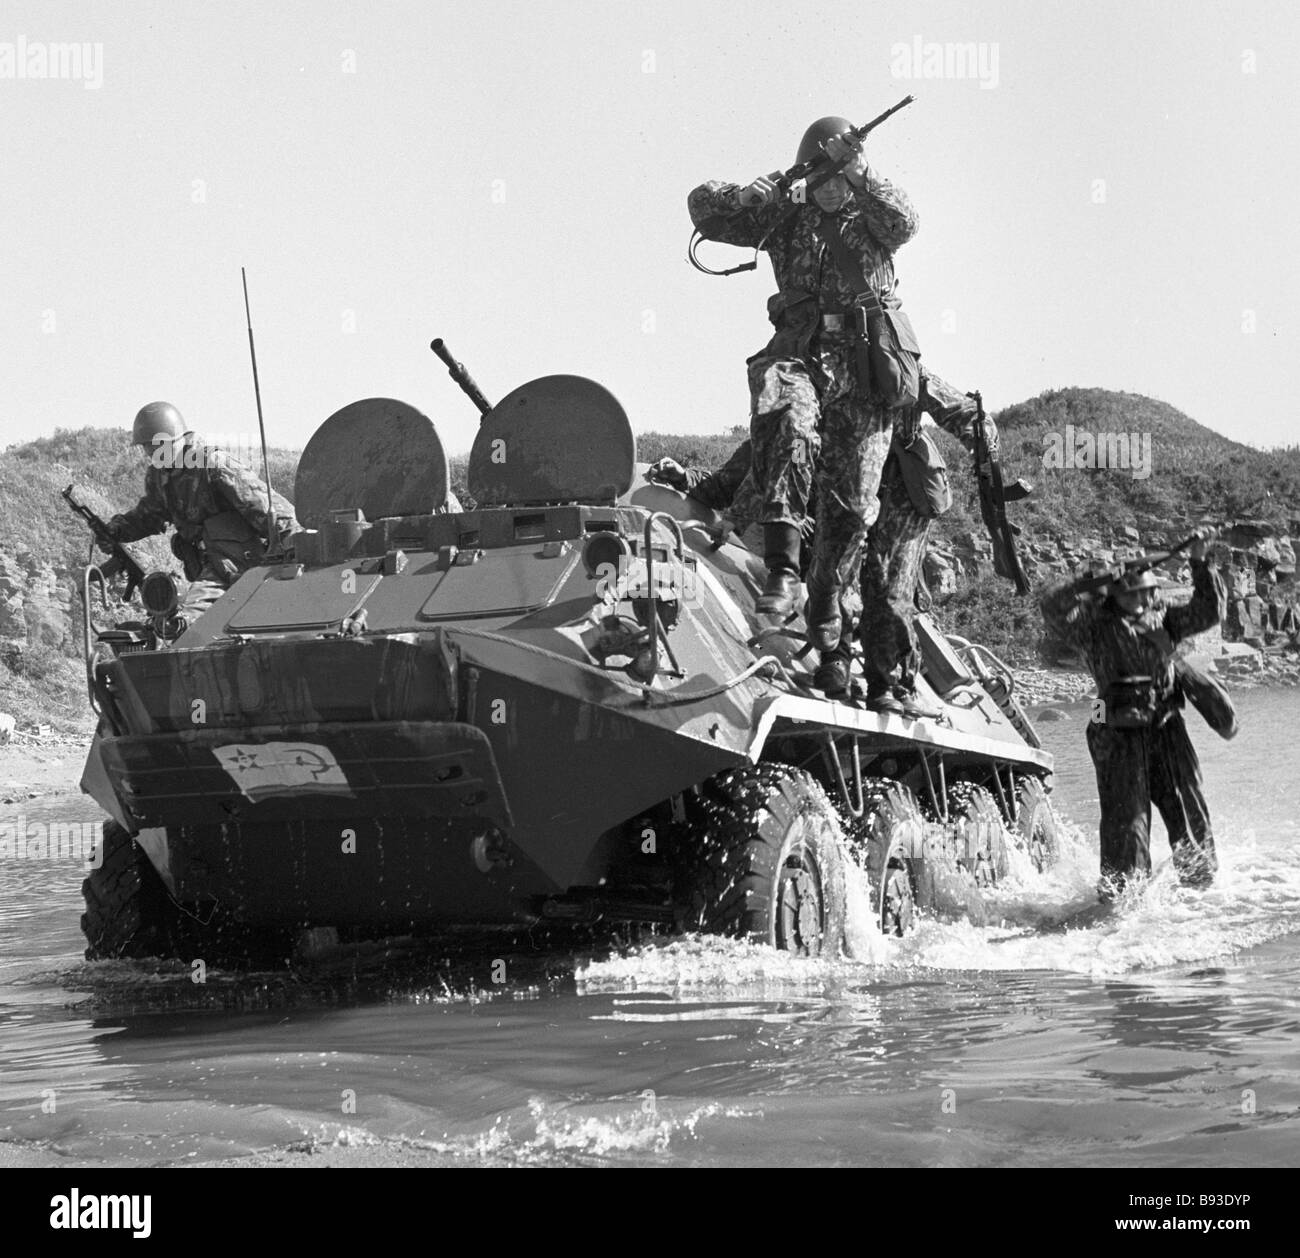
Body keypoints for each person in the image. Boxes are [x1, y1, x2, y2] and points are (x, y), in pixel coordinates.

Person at [688, 116, 921, 651]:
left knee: (852, 508)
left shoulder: (872, 216)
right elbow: (703, 209)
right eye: (825, 177)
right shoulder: (786, 216)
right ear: (809, 178)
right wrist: (747, 195)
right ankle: (783, 567)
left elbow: (906, 223)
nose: (835, 187)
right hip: (799, 354)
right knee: (784, 414)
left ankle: (824, 597)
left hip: (864, 373)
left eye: (843, 176)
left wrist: (864, 172)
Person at [1039, 535, 1227, 895]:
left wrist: (1201, 562)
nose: (1140, 600)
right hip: (1113, 726)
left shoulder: (1166, 619)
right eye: (1130, 593)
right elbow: (1051, 604)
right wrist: (1093, 578)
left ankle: (1200, 884)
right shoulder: (1091, 625)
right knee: (1126, 820)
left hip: (1165, 724)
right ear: (1112, 594)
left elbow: (1209, 611)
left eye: (1146, 592)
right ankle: (1122, 894)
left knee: (1186, 806)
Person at [107, 402, 299, 628]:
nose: (148, 453)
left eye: (151, 446)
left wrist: (300, 545)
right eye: (145, 447)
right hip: (206, 566)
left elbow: (266, 507)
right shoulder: (161, 476)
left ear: (169, 440)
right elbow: (149, 515)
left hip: (240, 562)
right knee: (175, 622)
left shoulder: (212, 464)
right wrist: (115, 530)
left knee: (187, 623)